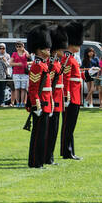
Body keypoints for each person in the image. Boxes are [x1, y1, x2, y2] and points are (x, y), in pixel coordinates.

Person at [25, 26, 53, 169]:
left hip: (46, 103)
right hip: (40, 103)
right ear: (39, 49)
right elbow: (33, 89)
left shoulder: (43, 65)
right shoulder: (37, 66)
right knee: (38, 135)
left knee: (43, 135)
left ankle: (39, 161)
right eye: (46, 48)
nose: (49, 50)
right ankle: (35, 161)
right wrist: (36, 105)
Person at [58, 20, 85, 159]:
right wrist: (66, 96)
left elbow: (75, 76)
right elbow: (66, 78)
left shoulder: (72, 58)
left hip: (75, 96)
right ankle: (66, 152)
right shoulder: (67, 58)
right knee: (68, 126)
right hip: (70, 97)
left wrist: (88, 74)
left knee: (71, 126)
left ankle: (70, 150)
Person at [46, 26, 68, 166]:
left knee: (54, 130)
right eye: (60, 50)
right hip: (53, 99)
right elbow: (49, 84)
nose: (62, 52)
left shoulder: (57, 63)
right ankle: (48, 156)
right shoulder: (52, 64)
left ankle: (50, 155)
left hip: (58, 99)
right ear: (55, 50)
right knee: (51, 130)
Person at [11, 41, 29, 110]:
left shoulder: (25, 53)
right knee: (17, 88)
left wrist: (23, 49)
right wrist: (17, 64)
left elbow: (29, 56)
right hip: (16, 74)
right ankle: (17, 102)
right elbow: (10, 63)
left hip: (24, 73)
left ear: (23, 46)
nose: (18, 48)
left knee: (23, 89)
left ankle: (22, 102)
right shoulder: (14, 54)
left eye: (20, 46)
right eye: (17, 46)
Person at [0, 43, 9, 107]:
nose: (2, 49)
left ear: (5, 49)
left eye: (3, 48)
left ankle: (2, 103)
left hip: (4, 76)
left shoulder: (7, 56)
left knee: (3, 90)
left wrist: (5, 60)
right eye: (0, 48)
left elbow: (9, 65)